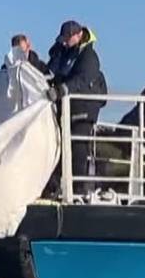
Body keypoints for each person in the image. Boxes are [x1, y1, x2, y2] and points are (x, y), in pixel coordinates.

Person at [45, 20, 108, 195]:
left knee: (78, 149)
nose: (64, 42)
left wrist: (61, 90)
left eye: (67, 38)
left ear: (78, 35)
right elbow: (53, 72)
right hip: (66, 110)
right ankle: (55, 188)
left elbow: (82, 79)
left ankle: (78, 192)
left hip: (84, 110)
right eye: (63, 39)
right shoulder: (63, 54)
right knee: (58, 148)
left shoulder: (89, 57)